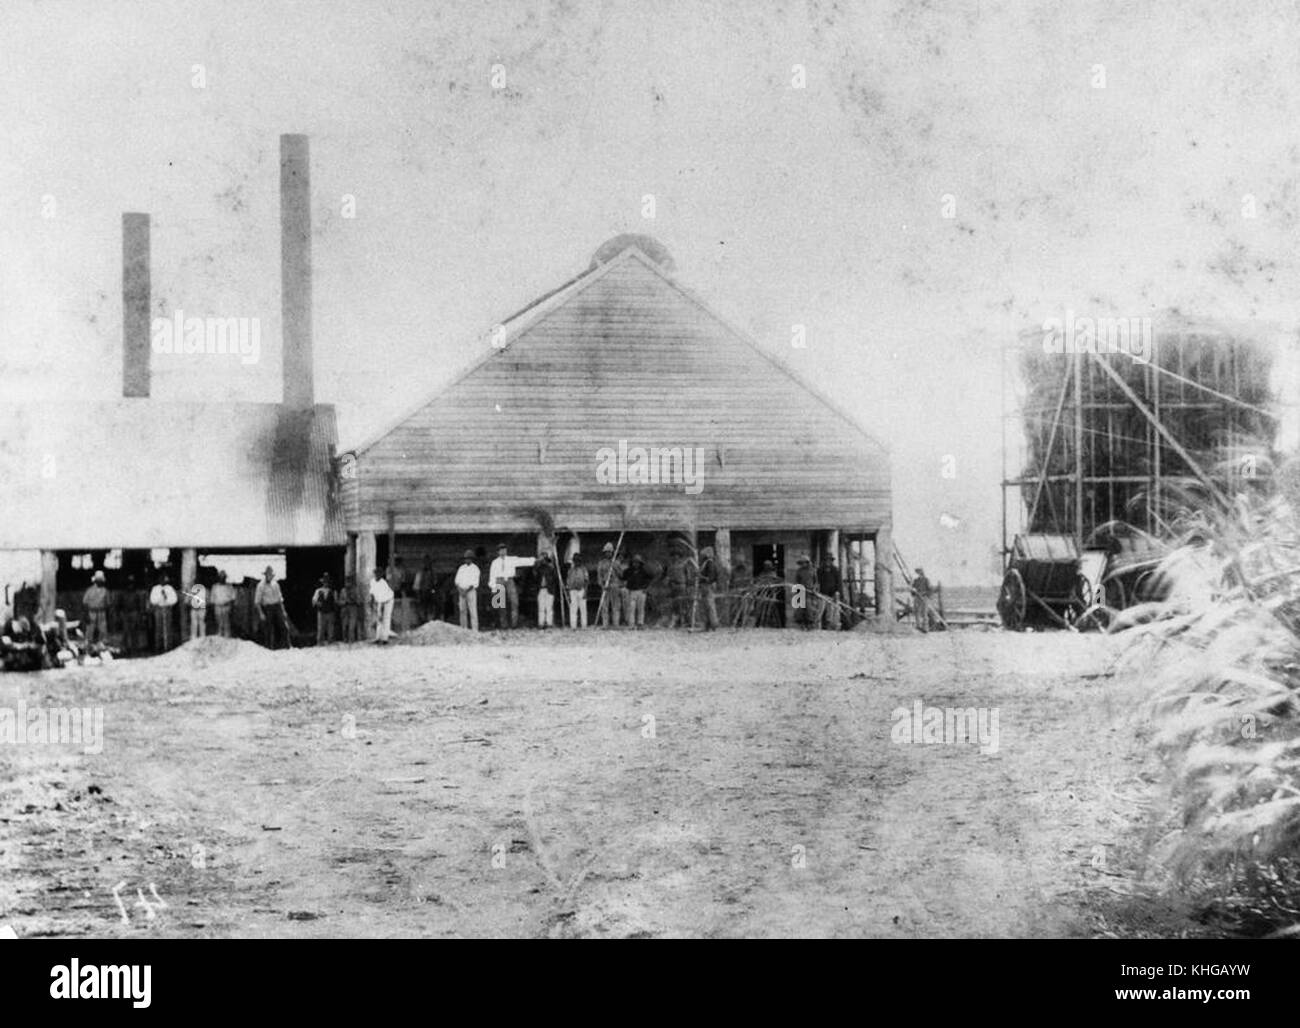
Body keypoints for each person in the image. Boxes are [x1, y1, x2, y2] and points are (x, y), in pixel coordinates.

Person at [253, 566, 287, 649]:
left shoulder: (275, 584)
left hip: (277, 606)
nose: (269, 576)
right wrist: (261, 613)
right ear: (265, 575)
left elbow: (280, 598)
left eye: (271, 575)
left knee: (283, 626)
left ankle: (284, 646)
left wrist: (283, 610)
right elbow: (257, 601)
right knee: (268, 628)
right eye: (268, 575)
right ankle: (268, 647)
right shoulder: (260, 585)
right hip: (267, 608)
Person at [488, 543, 520, 629]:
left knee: (514, 602)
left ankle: (514, 624)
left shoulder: (512, 559)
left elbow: (523, 561)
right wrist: (493, 586)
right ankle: (504, 624)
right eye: (501, 550)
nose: (503, 551)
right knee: (501, 603)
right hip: (499, 580)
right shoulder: (494, 562)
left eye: (504, 549)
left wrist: (534, 560)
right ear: (498, 552)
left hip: (509, 580)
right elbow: (492, 575)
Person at [595, 542, 625, 628]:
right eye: (606, 552)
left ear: (612, 553)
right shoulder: (601, 563)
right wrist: (602, 585)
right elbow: (599, 576)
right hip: (605, 587)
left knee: (615, 606)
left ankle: (616, 624)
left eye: (610, 552)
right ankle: (605, 625)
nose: (608, 553)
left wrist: (615, 566)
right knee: (604, 606)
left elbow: (621, 575)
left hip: (614, 586)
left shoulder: (616, 562)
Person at [623, 554, 654, 629]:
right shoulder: (629, 571)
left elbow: (651, 579)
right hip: (632, 591)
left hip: (641, 591)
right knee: (631, 608)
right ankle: (631, 624)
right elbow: (624, 577)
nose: (635, 564)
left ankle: (640, 623)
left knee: (641, 608)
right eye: (634, 562)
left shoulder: (644, 571)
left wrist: (647, 588)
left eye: (637, 562)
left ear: (640, 563)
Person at [149, 574, 178, 652]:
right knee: (158, 628)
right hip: (159, 608)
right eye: (161, 579)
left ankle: (168, 646)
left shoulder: (169, 588)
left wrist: (167, 599)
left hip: (167, 608)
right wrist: (160, 598)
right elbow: (152, 600)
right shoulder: (155, 588)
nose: (163, 580)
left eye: (164, 579)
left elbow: (174, 599)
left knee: (168, 627)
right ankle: (159, 646)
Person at [81, 570, 109, 649]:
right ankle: (88, 647)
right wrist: (86, 615)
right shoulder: (89, 590)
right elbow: (85, 603)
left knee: (102, 630)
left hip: (101, 612)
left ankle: (102, 647)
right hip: (91, 612)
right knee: (90, 630)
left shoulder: (105, 591)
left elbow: (107, 604)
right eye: (98, 580)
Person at [696, 545, 720, 631]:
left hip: (707, 586)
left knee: (709, 605)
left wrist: (700, 576)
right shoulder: (707, 563)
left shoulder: (710, 563)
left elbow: (710, 578)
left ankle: (713, 624)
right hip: (705, 586)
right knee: (706, 606)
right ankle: (708, 624)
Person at [455, 550, 480, 631]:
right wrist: (460, 590)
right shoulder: (461, 568)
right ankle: (463, 629)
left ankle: (475, 630)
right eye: (466, 558)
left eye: (469, 558)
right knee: (462, 610)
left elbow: (475, 583)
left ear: (472, 559)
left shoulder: (475, 568)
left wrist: (466, 591)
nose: (467, 560)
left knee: (472, 610)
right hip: (461, 591)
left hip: (470, 591)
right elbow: (457, 581)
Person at [754, 560, 784, 628]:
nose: (767, 567)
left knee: (772, 609)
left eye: (768, 565)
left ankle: (775, 624)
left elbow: (777, 582)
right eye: (766, 565)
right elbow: (758, 582)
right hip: (762, 594)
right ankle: (760, 624)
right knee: (761, 609)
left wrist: (773, 587)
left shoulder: (773, 574)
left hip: (771, 593)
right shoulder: (762, 574)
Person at [369, 567, 394, 644]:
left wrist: (379, 608)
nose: (377, 575)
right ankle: (378, 637)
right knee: (379, 619)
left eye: (378, 573)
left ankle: (384, 638)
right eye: (375, 573)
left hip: (388, 600)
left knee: (386, 618)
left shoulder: (383, 583)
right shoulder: (372, 581)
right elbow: (372, 594)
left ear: (381, 575)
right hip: (379, 600)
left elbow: (384, 598)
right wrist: (373, 604)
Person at [818, 554, 843, 631]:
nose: (827, 562)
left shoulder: (835, 570)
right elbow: (817, 581)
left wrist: (837, 592)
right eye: (826, 560)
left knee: (830, 611)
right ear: (824, 561)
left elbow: (839, 582)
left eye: (829, 560)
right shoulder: (820, 570)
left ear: (831, 561)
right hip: (822, 593)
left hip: (832, 594)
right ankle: (818, 626)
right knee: (820, 610)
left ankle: (829, 626)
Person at [534, 552, 559, 628]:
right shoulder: (538, 569)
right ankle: (541, 623)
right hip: (541, 589)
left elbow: (555, 579)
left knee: (548, 607)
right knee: (542, 608)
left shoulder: (551, 568)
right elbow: (535, 578)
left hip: (549, 589)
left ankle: (548, 623)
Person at [794, 555, 819, 629]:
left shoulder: (812, 571)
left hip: (810, 592)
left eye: (804, 563)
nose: (803, 564)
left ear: (807, 563)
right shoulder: (799, 571)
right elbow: (797, 581)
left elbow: (816, 582)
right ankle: (802, 625)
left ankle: (810, 625)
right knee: (801, 609)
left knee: (809, 608)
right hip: (801, 592)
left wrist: (814, 588)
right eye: (801, 563)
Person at [312, 573, 338, 645]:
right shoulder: (318, 590)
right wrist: (317, 603)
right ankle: (320, 642)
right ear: (322, 582)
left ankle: (330, 641)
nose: (326, 583)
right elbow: (313, 601)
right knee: (321, 628)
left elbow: (336, 601)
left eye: (327, 582)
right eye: (325, 582)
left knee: (330, 628)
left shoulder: (333, 591)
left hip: (330, 611)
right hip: (321, 612)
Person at [210, 571, 236, 638]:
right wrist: (213, 608)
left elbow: (233, 597)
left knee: (227, 623)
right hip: (218, 607)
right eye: (221, 577)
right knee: (219, 622)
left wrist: (231, 607)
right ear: (219, 577)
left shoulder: (229, 586)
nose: (222, 578)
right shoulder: (215, 587)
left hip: (226, 606)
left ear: (225, 578)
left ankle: (227, 637)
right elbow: (212, 598)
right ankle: (219, 635)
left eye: (223, 577)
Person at [566, 552, 589, 628]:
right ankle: (573, 626)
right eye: (575, 561)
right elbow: (568, 581)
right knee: (573, 609)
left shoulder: (584, 569)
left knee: (583, 609)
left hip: (581, 590)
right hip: (572, 591)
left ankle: (584, 625)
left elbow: (586, 581)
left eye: (578, 561)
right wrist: (568, 590)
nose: (576, 562)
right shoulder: (570, 570)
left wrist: (585, 591)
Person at [730, 558, 754, 628]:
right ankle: (737, 622)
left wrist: (748, 591)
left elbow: (750, 582)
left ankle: (744, 623)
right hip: (736, 592)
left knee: (745, 609)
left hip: (745, 592)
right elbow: (731, 582)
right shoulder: (734, 571)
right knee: (736, 608)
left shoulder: (747, 571)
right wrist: (734, 589)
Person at [414, 554, 436, 624]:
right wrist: (418, 593)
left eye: (428, 562)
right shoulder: (420, 572)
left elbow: (435, 582)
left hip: (430, 591)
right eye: (426, 562)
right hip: (422, 592)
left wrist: (433, 590)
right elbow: (417, 584)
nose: (427, 564)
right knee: (422, 607)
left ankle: (430, 620)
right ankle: (423, 620)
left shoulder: (432, 572)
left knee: (430, 606)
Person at [339, 575, 362, 642]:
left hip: (353, 608)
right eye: (346, 581)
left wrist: (354, 599)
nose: (348, 583)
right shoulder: (343, 591)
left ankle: (351, 640)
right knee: (344, 626)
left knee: (352, 626)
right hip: (345, 608)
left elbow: (359, 601)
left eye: (349, 581)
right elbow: (339, 601)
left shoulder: (355, 590)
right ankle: (345, 639)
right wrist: (344, 602)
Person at [912, 567, 934, 632]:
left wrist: (924, 594)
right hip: (917, 598)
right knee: (917, 612)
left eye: (919, 572)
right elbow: (913, 590)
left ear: (922, 573)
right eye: (917, 573)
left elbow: (930, 590)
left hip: (924, 598)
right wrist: (913, 591)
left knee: (924, 613)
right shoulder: (915, 581)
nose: (918, 574)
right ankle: (918, 626)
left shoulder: (926, 580)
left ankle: (925, 628)